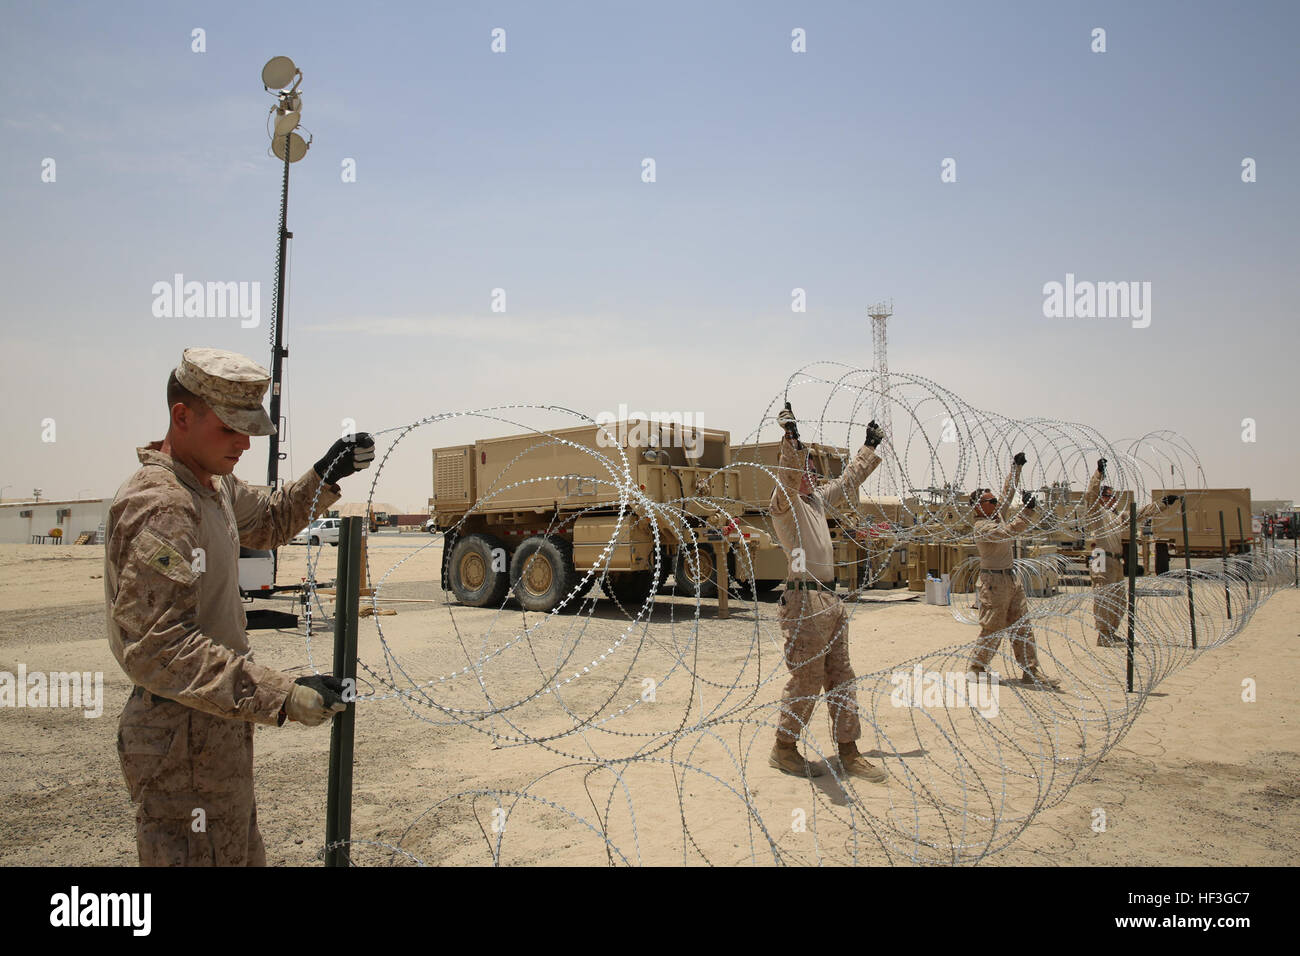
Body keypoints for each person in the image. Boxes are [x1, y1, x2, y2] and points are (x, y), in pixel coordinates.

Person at [105, 347, 375, 866]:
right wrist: (281, 694)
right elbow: (158, 649)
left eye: (250, 430)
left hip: (213, 724)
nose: (245, 444)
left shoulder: (213, 485)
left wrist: (324, 472)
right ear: (181, 417)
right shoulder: (162, 506)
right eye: (230, 428)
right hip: (179, 737)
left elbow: (269, 522)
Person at [767, 402, 887, 783]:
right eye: (808, 469)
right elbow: (787, 474)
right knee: (806, 678)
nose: (813, 473)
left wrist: (868, 447)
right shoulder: (784, 505)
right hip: (804, 600)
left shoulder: (815, 501)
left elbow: (849, 480)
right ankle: (784, 749)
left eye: (814, 470)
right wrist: (791, 436)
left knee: (841, 676)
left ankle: (848, 752)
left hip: (829, 601)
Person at [967, 453, 1061, 688]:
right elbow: (1008, 532)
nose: (997, 504)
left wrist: (1016, 468)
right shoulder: (982, 527)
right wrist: (1028, 512)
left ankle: (1030, 671)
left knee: (1023, 627)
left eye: (995, 501)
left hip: (1010, 579)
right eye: (991, 502)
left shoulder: (996, 516)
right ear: (979, 506)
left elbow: (1008, 492)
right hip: (994, 584)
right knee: (993, 628)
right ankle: (976, 669)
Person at [1082, 458, 1180, 646]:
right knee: (1103, 596)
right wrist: (1098, 474)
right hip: (1100, 557)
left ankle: (1111, 632)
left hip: (1116, 560)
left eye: (1113, 496)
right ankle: (1103, 635)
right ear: (1102, 498)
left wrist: (1163, 504)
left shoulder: (1118, 517)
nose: (1111, 499)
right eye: (1108, 496)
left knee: (1118, 598)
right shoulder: (1096, 512)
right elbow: (1091, 494)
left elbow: (1141, 514)